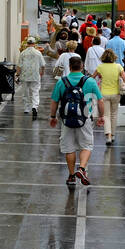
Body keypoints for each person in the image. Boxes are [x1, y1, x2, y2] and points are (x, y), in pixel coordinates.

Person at [50, 54, 104, 187]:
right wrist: (101, 116)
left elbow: (54, 101)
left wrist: (53, 117)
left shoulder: (62, 82)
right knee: (86, 145)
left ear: (69, 67)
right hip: (85, 118)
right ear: (82, 67)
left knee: (69, 148)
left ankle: (71, 175)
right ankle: (82, 168)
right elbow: (100, 100)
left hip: (66, 119)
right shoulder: (90, 81)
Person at [95, 47, 125, 146]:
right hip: (116, 94)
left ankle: (108, 136)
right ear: (114, 57)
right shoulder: (118, 66)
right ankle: (113, 135)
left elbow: (92, 77)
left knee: (106, 116)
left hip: (104, 94)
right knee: (114, 115)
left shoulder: (100, 67)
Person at [16, 37, 45, 120]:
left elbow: (19, 66)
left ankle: (26, 108)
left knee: (25, 92)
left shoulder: (23, 53)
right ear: (34, 44)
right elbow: (43, 64)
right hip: (35, 75)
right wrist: (42, 71)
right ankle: (34, 107)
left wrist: (17, 75)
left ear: (27, 43)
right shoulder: (38, 53)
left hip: (25, 75)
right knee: (35, 92)